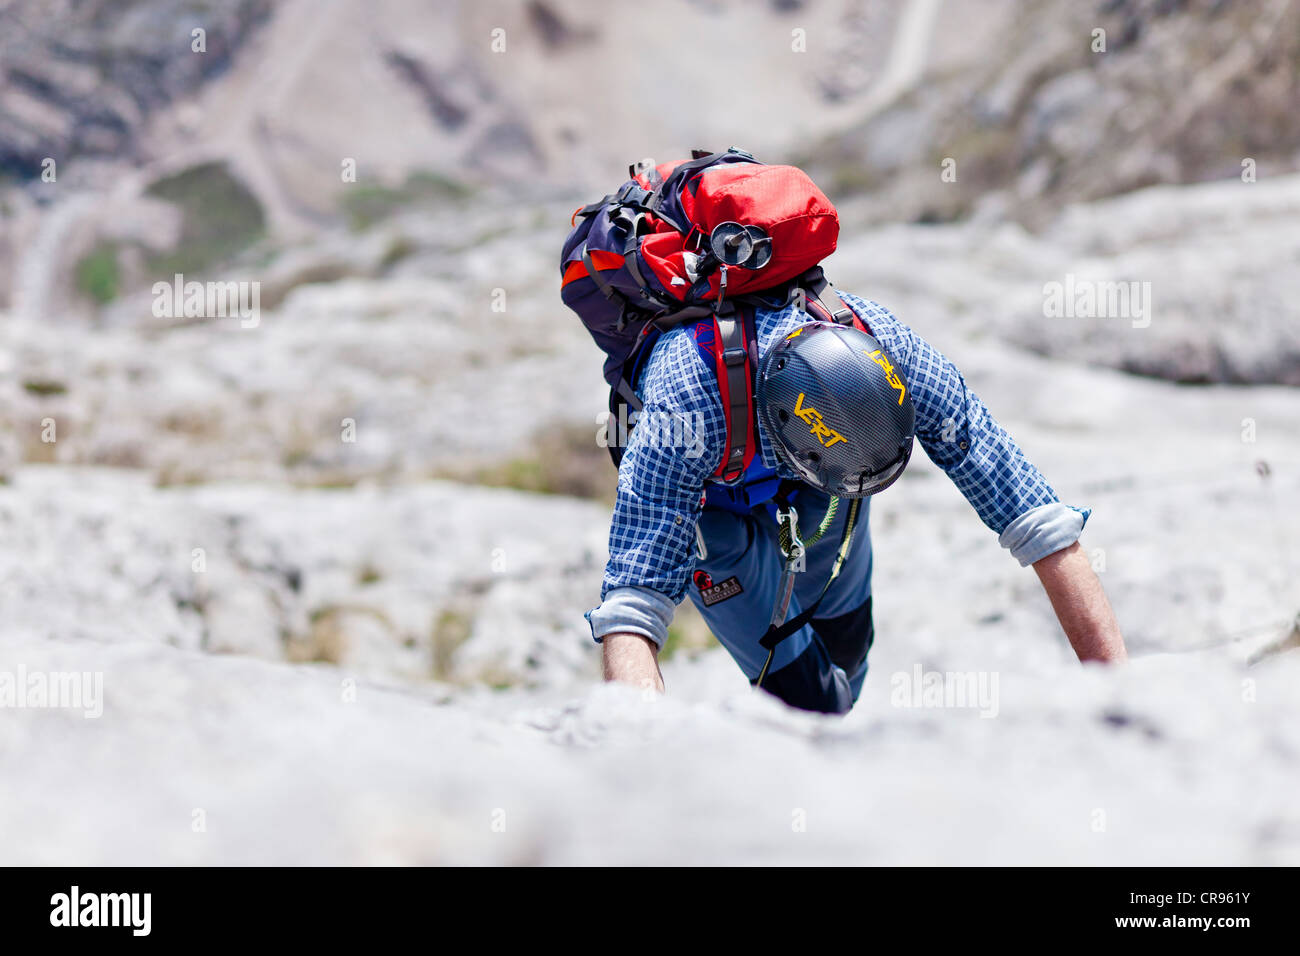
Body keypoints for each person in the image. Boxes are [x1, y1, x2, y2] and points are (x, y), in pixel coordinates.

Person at [586, 293, 1127, 714]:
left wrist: (1119, 697)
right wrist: (640, 771)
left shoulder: (890, 344)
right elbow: (635, 600)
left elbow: (1034, 516)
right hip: (712, 514)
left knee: (847, 654)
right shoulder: (685, 399)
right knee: (810, 702)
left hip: (825, 487)